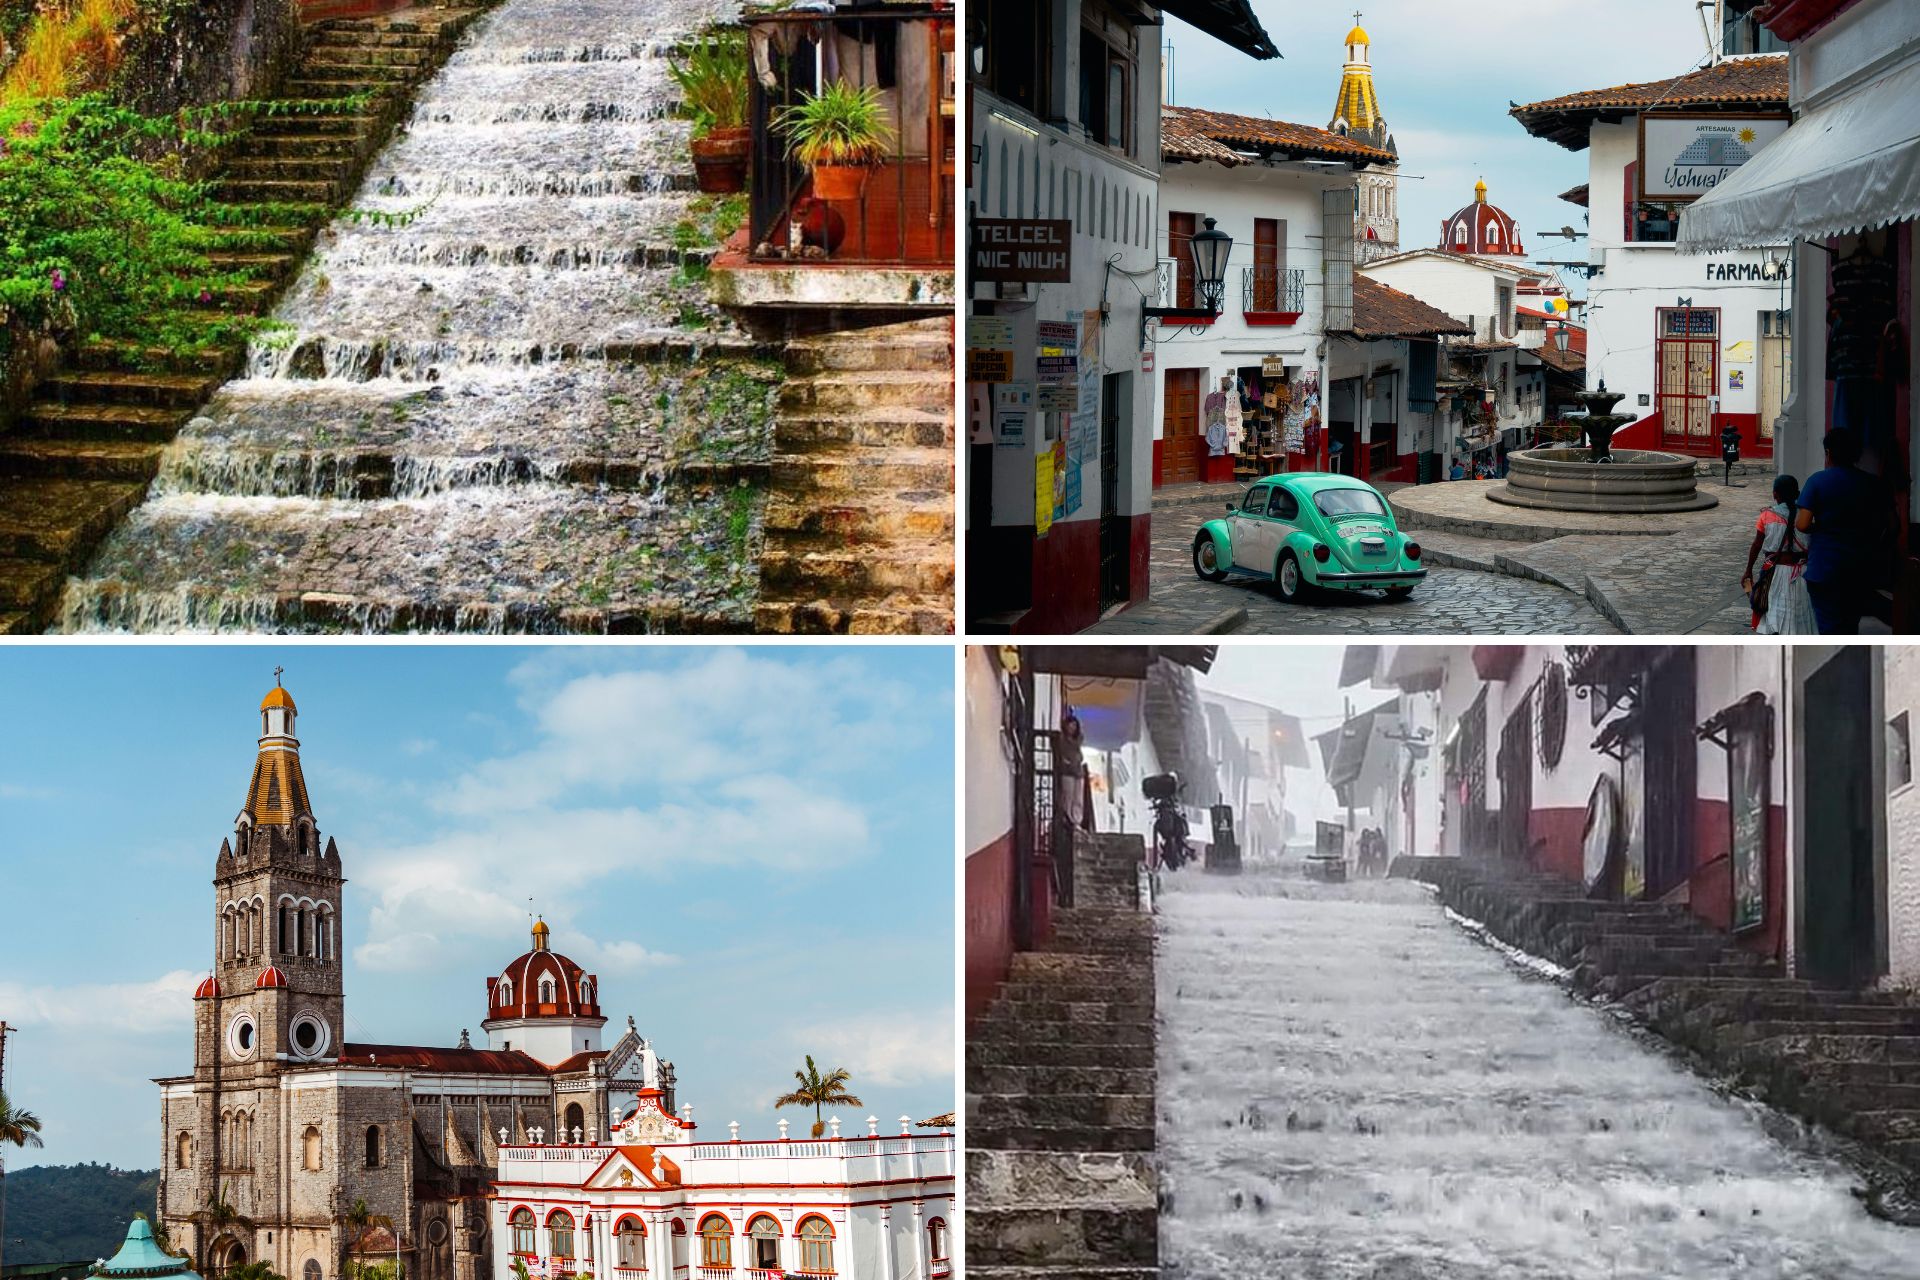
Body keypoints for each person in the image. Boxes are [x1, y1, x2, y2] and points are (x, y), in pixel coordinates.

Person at [1796, 429, 1893, 634]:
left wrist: (1823, 527)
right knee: (1850, 624)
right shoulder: (1872, 483)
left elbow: (1802, 524)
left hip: (1825, 566)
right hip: (1859, 566)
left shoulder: (1817, 481)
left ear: (1828, 453)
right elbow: (1890, 524)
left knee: (1829, 626)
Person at [1742, 474, 1813, 634]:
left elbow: (1756, 545)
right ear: (1798, 493)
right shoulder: (1806, 516)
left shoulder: (1766, 516)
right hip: (1803, 573)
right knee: (1802, 617)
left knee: (1775, 615)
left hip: (1775, 573)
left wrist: (1748, 570)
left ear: (1775, 494)